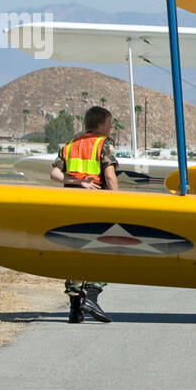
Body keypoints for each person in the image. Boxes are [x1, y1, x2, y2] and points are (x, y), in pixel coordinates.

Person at [50, 106, 119, 324]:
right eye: (109, 123)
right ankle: (91, 297)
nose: (111, 127)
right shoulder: (103, 144)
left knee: (75, 252)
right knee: (103, 249)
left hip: (71, 205)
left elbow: (54, 173)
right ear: (100, 124)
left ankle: (74, 310)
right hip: (95, 203)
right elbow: (109, 175)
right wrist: (118, 202)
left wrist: (77, 182)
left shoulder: (70, 144)